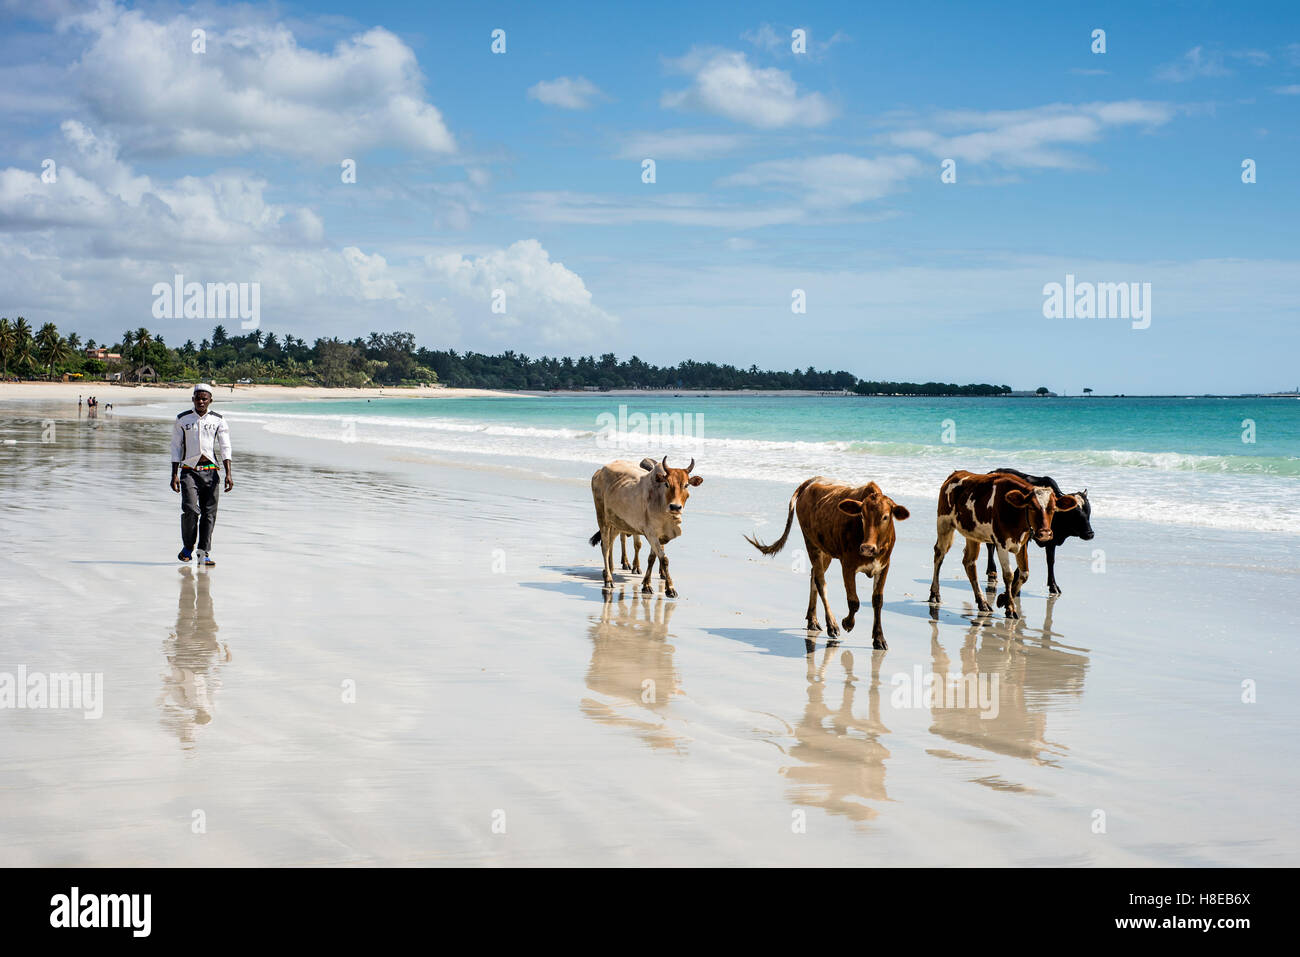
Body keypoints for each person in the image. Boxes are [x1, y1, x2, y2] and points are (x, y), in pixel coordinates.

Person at [170, 384, 233, 567]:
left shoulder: (218, 420)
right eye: (198, 398)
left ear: (210, 400)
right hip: (189, 470)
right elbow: (175, 447)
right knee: (190, 509)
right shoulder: (182, 419)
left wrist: (229, 473)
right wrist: (174, 474)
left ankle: (203, 552)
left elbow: (225, 447)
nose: (201, 402)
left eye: (204, 399)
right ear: (193, 399)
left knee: (209, 514)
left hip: (211, 472)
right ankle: (188, 547)